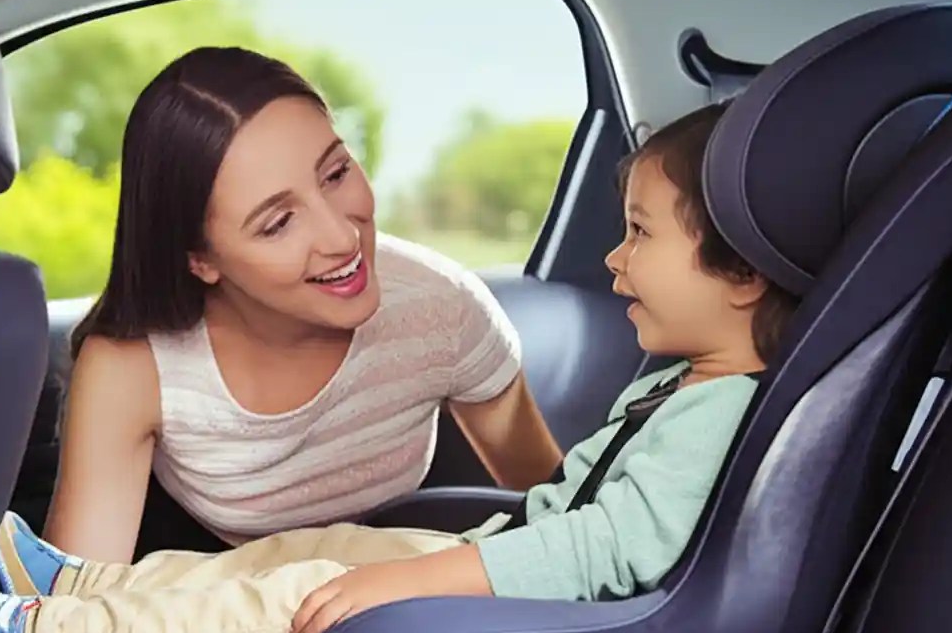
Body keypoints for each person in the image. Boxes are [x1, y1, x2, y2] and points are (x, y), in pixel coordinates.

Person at [0, 101, 800, 633]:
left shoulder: (722, 410)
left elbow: (600, 550)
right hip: (521, 558)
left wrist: (417, 577)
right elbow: (569, 501)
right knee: (320, 548)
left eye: (641, 234)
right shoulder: (688, 382)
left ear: (744, 269)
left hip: (568, 616)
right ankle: (88, 591)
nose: (613, 260)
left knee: (315, 591)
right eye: (278, 218)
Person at [42, 45, 564, 566]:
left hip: (399, 596)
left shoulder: (441, 309)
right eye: (277, 223)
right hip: (213, 609)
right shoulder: (133, 368)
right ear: (200, 260)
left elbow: (566, 520)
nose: (341, 237)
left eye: (335, 174)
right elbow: (68, 615)